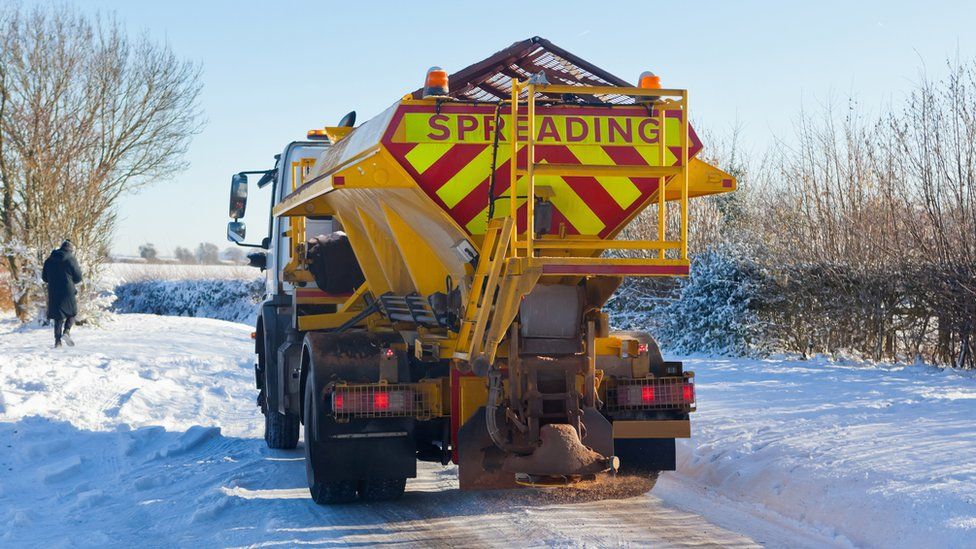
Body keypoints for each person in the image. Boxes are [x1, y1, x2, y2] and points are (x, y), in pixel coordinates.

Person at [41, 240, 83, 348]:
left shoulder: (49, 260)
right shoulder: (71, 259)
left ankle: (58, 342)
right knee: (72, 313)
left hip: (54, 291)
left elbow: (44, 278)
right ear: (70, 250)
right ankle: (66, 332)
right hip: (67, 291)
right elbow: (78, 278)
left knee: (58, 317)